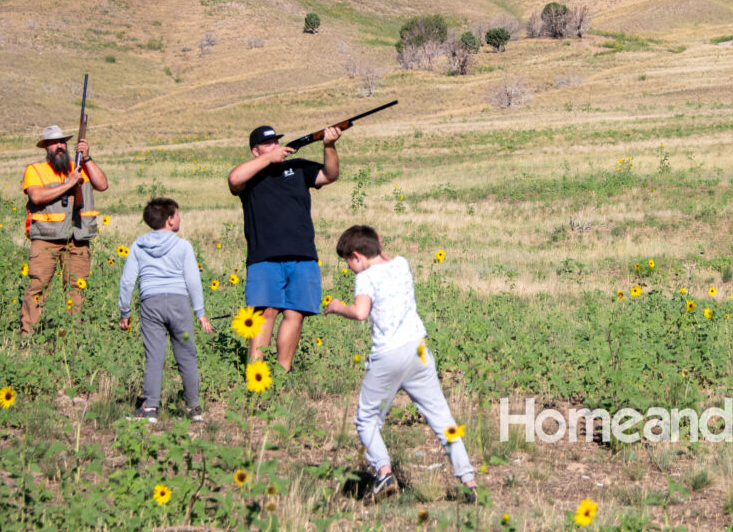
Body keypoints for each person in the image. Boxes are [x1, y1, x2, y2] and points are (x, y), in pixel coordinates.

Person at [325, 225, 478, 502]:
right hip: (418, 349)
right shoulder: (401, 264)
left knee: (366, 418)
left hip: (389, 355)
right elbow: (382, 253)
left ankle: (384, 472)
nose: (348, 268)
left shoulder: (366, 278)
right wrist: (377, 244)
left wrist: (337, 307)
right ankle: (468, 480)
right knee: (442, 418)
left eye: (348, 261)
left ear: (358, 256)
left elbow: (360, 313)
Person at [227, 123, 341, 371]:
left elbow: (329, 175)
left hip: (303, 254)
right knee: (264, 313)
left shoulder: (296, 167)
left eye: (276, 142)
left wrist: (329, 145)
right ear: (255, 151)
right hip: (264, 256)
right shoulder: (251, 174)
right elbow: (234, 179)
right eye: (268, 144)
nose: (275, 146)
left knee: (295, 314)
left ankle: (281, 373)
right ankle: (256, 373)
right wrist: (268, 159)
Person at [118, 197, 213, 422]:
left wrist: (125, 312)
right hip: (179, 303)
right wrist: (200, 313)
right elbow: (193, 280)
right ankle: (193, 409)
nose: (179, 218)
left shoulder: (138, 245)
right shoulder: (183, 246)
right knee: (187, 356)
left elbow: (127, 281)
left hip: (150, 303)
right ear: (170, 220)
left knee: (154, 356)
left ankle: (150, 408)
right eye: (177, 214)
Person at [20, 124, 109, 334]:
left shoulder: (80, 167)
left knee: (76, 289)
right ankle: (27, 336)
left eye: (62, 142)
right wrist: (70, 184)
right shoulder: (35, 170)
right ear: (45, 147)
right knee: (38, 287)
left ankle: (74, 335)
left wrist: (87, 158)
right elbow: (37, 196)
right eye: (53, 143)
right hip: (46, 238)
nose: (59, 146)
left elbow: (103, 184)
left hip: (77, 238)